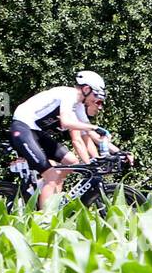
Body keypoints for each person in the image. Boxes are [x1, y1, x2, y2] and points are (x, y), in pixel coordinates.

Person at [9, 71, 114, 205]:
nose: (95, 100)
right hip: (23, 128)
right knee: (52, 176)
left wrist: (118, 152)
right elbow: (66, 122)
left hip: (36, 132)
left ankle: (39, 190)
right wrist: (93, 127)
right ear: (86, 89)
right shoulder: (69, 94)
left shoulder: (79, 105)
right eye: (95, 95)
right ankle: (43, 220)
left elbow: (91, 135)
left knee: (72, 161)